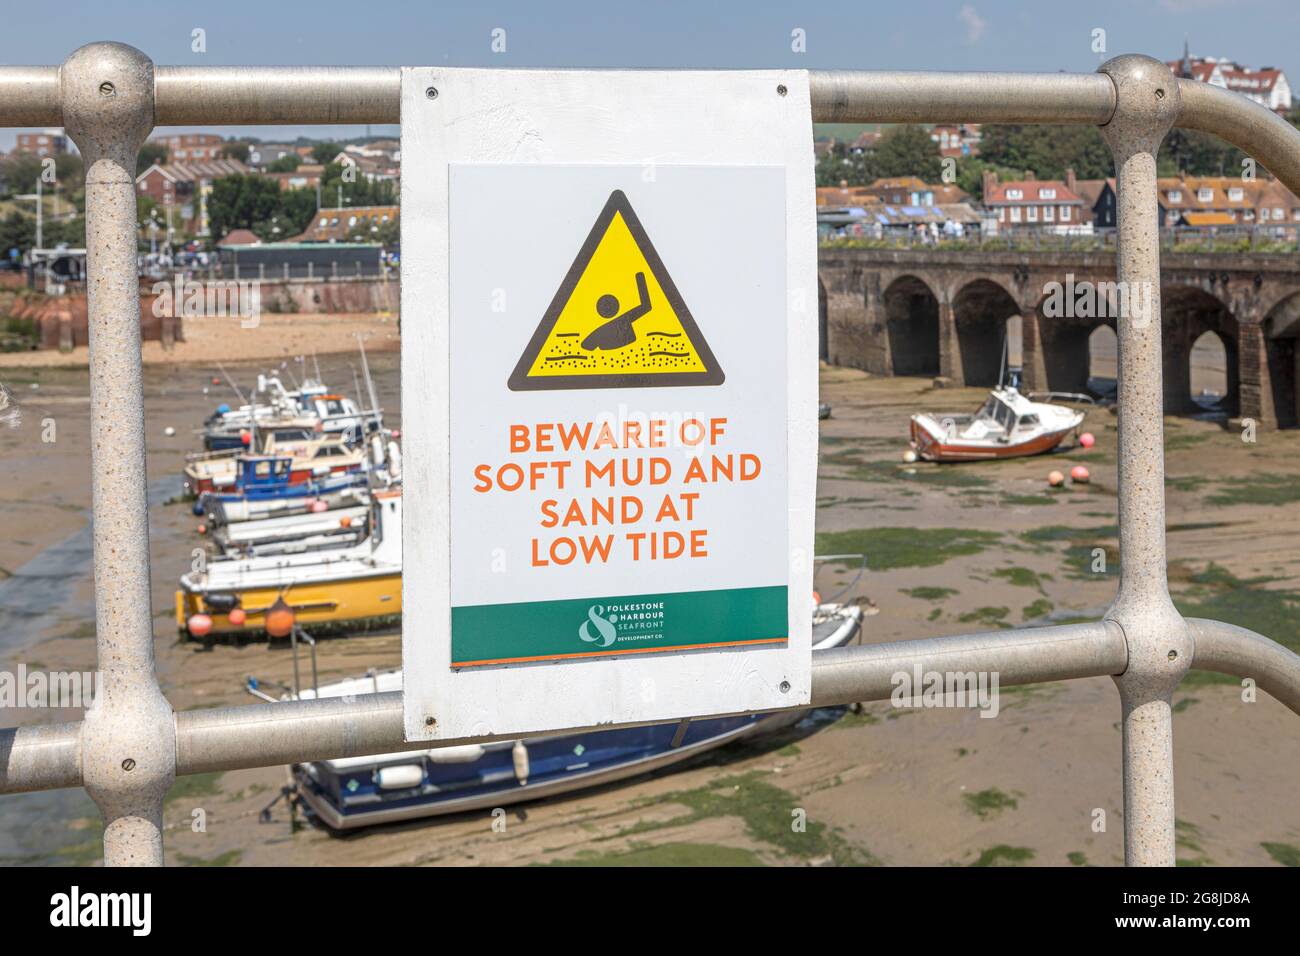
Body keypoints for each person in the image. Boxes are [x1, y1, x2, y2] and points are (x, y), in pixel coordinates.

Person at [582, 271, 651, 351]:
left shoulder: (622, 320)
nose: (606, 306)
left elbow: (646, 306)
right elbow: (645, 306)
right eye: (605, 306)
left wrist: (640, 279)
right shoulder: (597, 335)